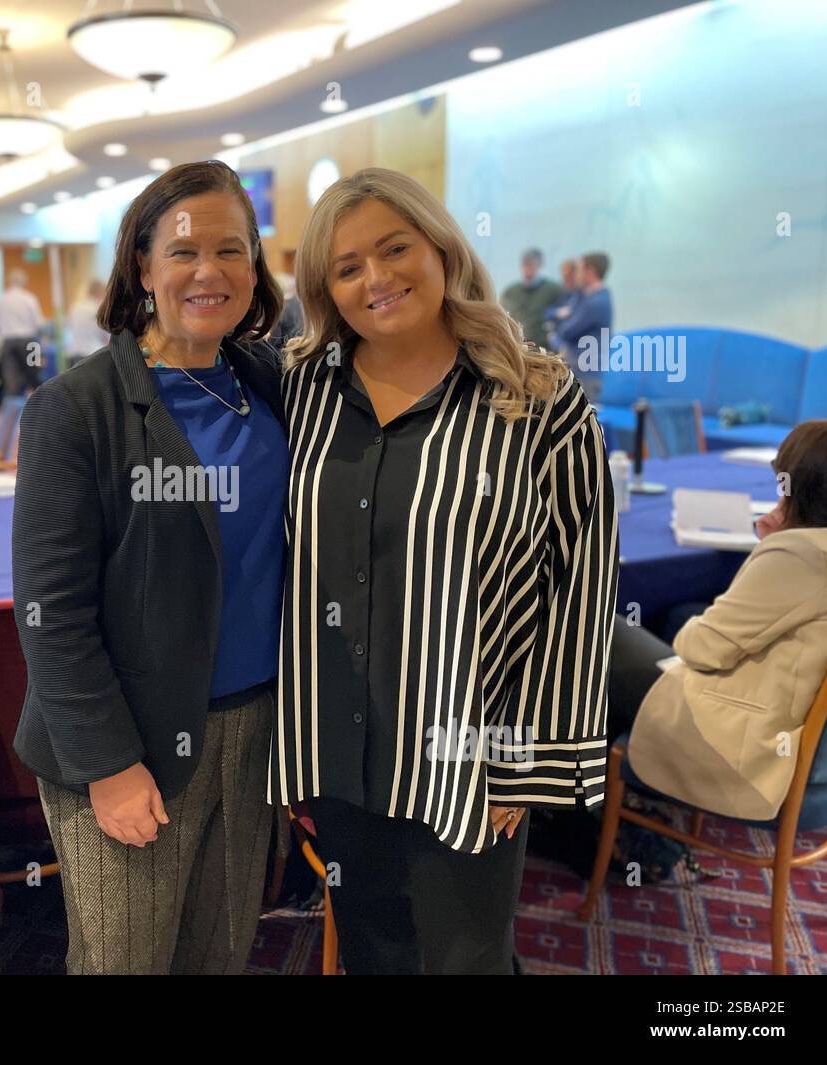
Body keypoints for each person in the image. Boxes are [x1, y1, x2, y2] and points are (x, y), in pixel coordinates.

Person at [276, 168, 619, 974]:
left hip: (470, 750)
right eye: (348, 266)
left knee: (467, 958)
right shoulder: (303, 390)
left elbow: (581, 591)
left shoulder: (537, 396)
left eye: (395, 249)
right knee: (373, 950)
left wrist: (524, 762)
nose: (377, 278)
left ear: (442, 246)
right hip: (338, 752)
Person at [11, 160, 286, 974]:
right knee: (125, 961)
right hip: (127, 742)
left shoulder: (270, 383)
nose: (211, 271)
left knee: (221, 953)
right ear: (142, 266)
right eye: (184, 251)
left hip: (252, 732)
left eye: (233, 251)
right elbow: (50, 612)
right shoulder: (75, 409)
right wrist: (108, 764)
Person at [615, 421, 827, 821]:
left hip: (743, 747)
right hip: (807, 746)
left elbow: (698, 648)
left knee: (599, 633)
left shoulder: (802, 557)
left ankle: (579, 814)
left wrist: (771, 546)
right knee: (677, 614)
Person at [0, 269, 45, 469]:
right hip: (29, 341)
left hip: (8, 343)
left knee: (11, 386)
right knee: (36, 381)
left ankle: (7, 433)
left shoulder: (1, 300)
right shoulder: (29, 298)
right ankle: (42, 418)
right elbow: (39, 323)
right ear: (23, 281)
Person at [551, 251, 613, 403]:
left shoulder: (596, 303)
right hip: (579, 371)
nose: (576, 275)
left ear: (590, 271)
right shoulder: (585, 297)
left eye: (579, 269)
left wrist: (558, 326)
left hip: (587, 375)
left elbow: (567, 331)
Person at [500, 248, 563, 350]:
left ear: (539, 266)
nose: (528, 268)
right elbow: (501, 315)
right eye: (525, 264)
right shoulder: (511, 292)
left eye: (532, 265)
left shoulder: (553, 290)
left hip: (545, 348)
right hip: (519, 347)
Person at [65, 279, 110, 368]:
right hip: (93, 354)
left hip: (75, 355)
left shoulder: (75, 307)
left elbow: (69, 329)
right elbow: (108, 337)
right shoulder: (99, 309)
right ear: (101, 293)